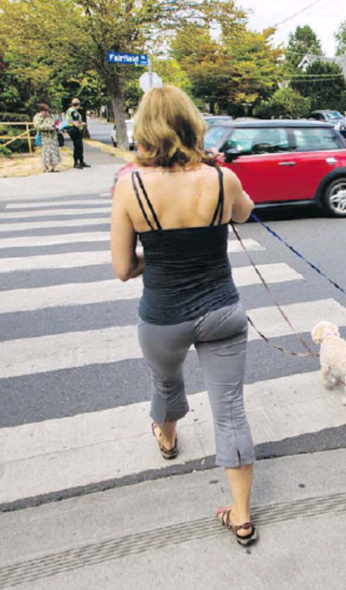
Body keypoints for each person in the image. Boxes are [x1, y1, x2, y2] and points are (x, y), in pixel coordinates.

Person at [109, 85, 258, 547]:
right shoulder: (221, 178)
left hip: (163, 316)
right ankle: (242, 516)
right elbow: (246, 214)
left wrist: (161, 255)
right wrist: (213, 168)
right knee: (230, 410)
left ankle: (168, 440)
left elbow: (122, 269)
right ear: (193, 126)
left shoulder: (129, 186)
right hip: (223, 311)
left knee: (167, 386)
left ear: (145, 131)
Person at [33, 103, 61, 173]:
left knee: (54, 152)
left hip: (53, 137)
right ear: (41, 111)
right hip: (44, 137)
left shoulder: (51, 116)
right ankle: (46, 167)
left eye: (47, 111)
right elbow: (37, 126)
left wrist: (56, 126)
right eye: (44, 111)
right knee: (46, 153)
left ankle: (54, 166)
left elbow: (55, 122)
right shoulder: (37, 117)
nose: (46, 113)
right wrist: (48, 127)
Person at [65, 98, 89, 169]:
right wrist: (82, 124)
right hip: (74, 130)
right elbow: (76, 123)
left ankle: (81, 161)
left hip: (71, 129)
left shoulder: (69, 110)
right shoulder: (74, 112)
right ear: (78, 104)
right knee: (78, 146)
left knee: (79, 146)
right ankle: (76, 163)